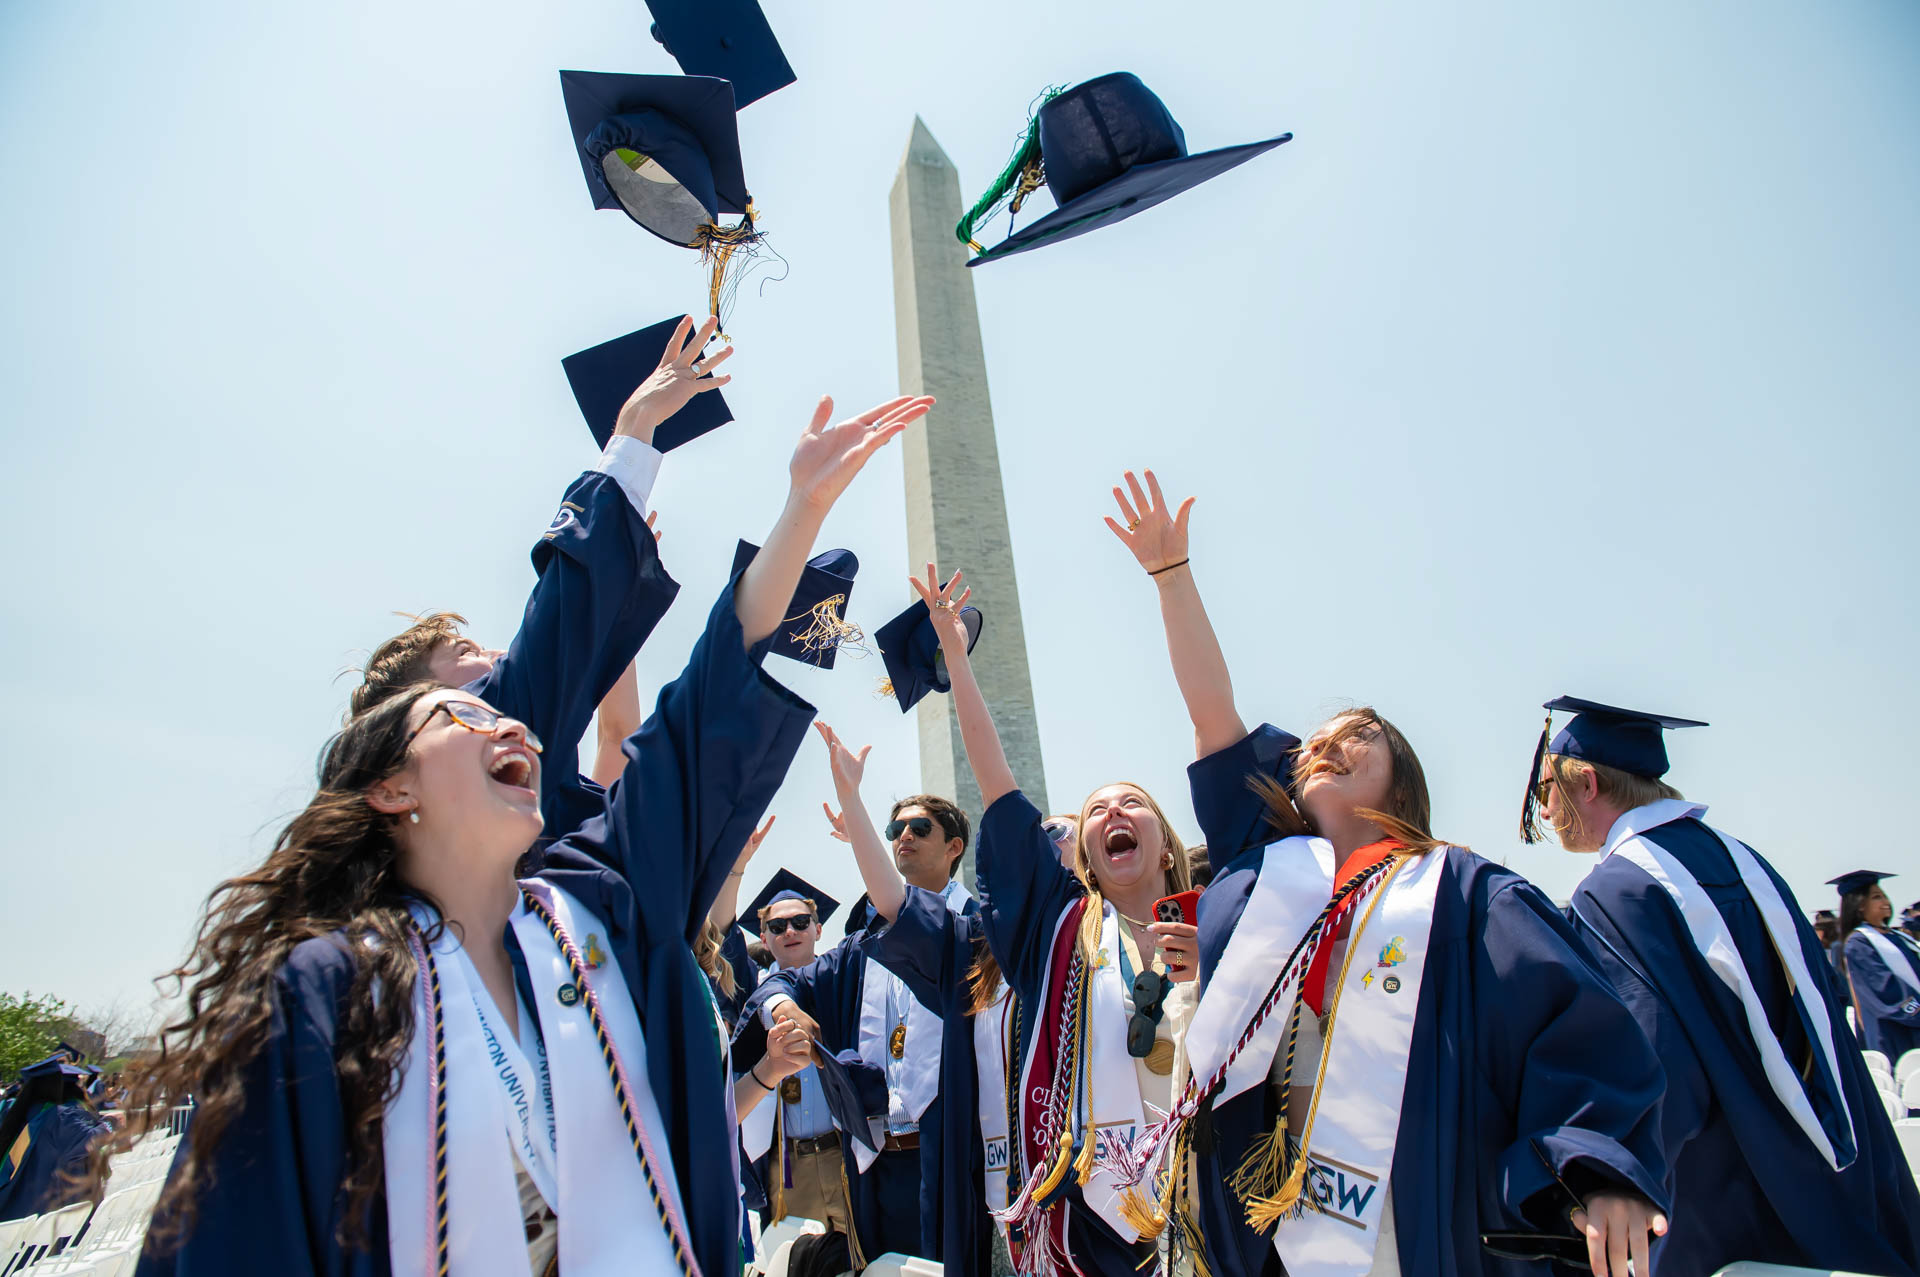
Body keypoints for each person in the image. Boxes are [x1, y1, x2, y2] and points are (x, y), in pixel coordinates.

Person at [103, 391, 931, 1277]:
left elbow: (702, 701)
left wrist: (803, 505)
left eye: (506, 719)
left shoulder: (598, 909)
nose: (510, 724)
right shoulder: (327, 997)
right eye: (464, 713)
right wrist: (631, 445)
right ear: (389, 788)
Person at [1108, 469, 1669, 1277]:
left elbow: (1577, 1027)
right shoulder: (1271, 870)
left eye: (1358, 734)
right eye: (1317, 739)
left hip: (1415, 1224)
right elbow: (1211, 714)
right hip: (1278, 1228)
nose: (1326, 743)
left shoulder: (1464, 893)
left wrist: (1602, 1171)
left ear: (1401, 778)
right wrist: (1171, 577)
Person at [1524, 699, 1920, 1275]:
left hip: (1729, 1188)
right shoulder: (1741, 859)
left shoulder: (1617, 891)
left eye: (1546, 790)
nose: (1547, 808)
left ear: (1586, 782)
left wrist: (1613, 1174)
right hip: (1840, 1162)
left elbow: (1650, 1061)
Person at [894, 563, 1200, 1276]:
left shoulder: (1221, 928)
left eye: (1133, 803)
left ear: (1166, 836)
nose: (1113, 814)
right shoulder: (1055, 927)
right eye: (1097, 809)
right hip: (1086, 1229)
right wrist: (956, 658)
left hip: (1203, 1208)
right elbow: (999, 787)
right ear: (1085, 851)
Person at [351, 315, 735, 844]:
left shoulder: (538, 792)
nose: (492, 658)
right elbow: (559, 624)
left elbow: (607, 717)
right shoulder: (500, 734)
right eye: (465, 655)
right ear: (421, 707)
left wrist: (616, 579)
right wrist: (636, 423)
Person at [733, 783, 978, 1269]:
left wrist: (852, 799)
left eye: (920, 828)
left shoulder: (977, 930)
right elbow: (783, 983)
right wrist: (783, 1008)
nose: (904, 835)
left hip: (948, 1154)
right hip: (873, 1160)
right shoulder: (866, 945)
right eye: (895, 829)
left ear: (954, 847)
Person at [1, 1052, 113, 1222]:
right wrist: (109, 1124)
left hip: (18, 1205)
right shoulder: (60, 1116)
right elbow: (90, 1140)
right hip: (47, 1207)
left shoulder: (16, 1110)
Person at [1836, 870, 1920, 1062]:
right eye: (1876, 897)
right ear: (1859, 906)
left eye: (1884, 895)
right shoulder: (1859, 943)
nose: (1886, 901)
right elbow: (1885, 989)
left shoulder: (1896, 937)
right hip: (1895, 1031)